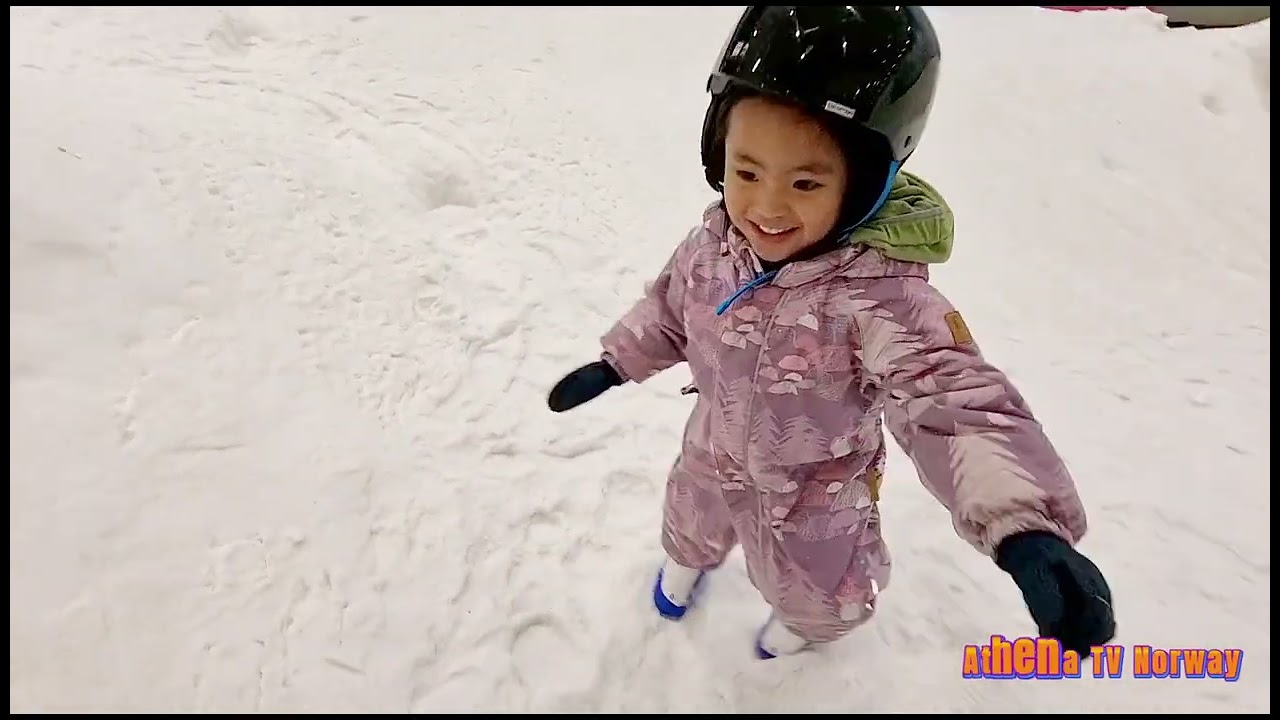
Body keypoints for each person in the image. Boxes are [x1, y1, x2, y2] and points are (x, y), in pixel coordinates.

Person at [547, 6, 1116, 660]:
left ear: (864, 184)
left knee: (824, 588)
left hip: (814, 492)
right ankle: (684, 568)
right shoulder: (713, 248)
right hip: (713, 447)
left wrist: (1026, 529)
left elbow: (957, 403)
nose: (765, 207)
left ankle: (798, 633)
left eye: (806, 182)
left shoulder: (883, 300)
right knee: (689, 519)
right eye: (747, 171)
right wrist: (617, 361)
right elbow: (672, 309)